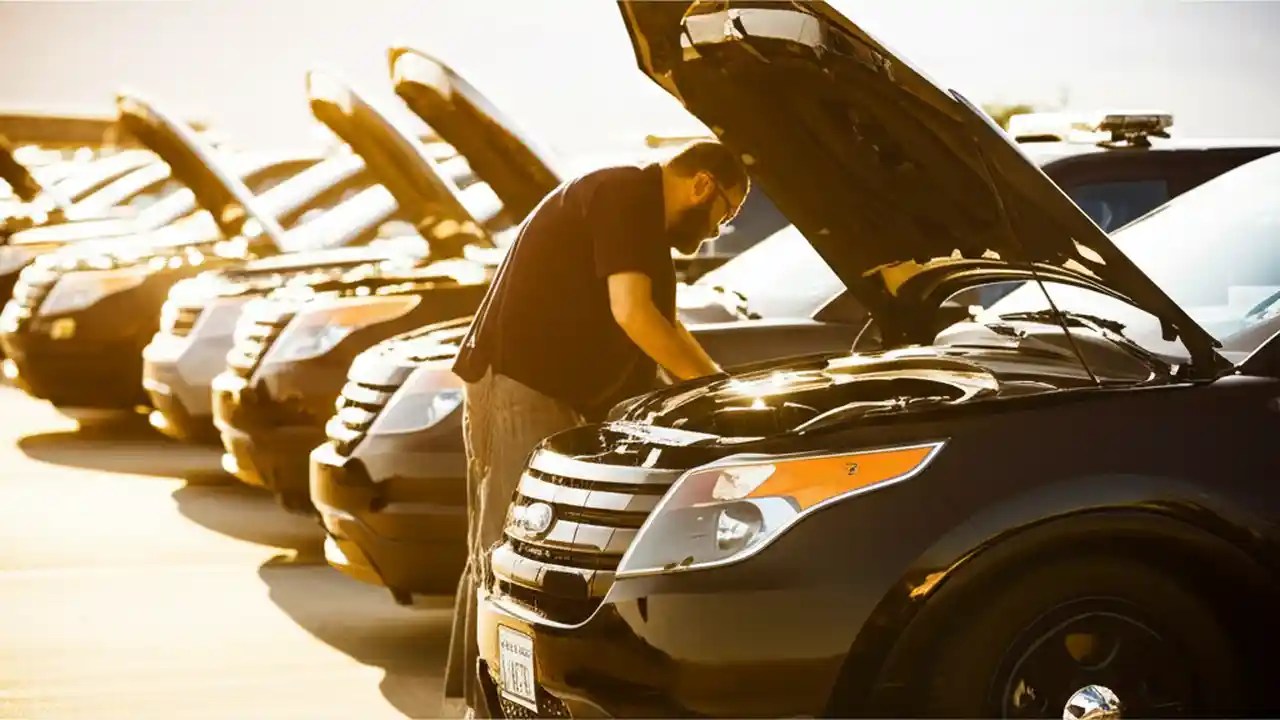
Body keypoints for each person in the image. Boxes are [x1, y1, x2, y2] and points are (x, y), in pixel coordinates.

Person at [441, 139, 749, 716]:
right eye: (724, 216)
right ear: (702, 184)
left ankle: (490, 706)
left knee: (514, 552)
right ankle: (487, 710)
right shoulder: (627, 194)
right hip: (516, 385)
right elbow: (632, 313)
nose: (714, 233)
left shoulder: (642, 225)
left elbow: (659, 336)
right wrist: (716, 390)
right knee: (508, 557)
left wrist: (703, 397)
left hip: (544, 391)